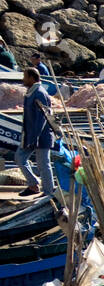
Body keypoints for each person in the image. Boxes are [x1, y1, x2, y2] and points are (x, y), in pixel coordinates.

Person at [16, 67, 56, 197]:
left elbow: (42, 118)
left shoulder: (39, 93)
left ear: (32, 78)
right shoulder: (31, 92)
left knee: (43, 164)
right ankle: (33, 184)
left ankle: (48, 191)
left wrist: (35, 137)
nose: (23, 79)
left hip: (41, 136)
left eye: (25, 77)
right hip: (30, 136)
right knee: (20, 158)